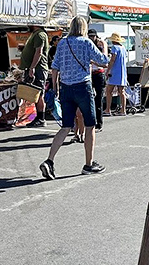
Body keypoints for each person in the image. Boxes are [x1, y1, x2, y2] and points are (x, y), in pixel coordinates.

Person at [39, 16, 109, 180]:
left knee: (66, 126)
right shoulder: (86, 42)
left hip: (65, 88)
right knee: (90, 125)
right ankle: (88, 164)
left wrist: (56, 88)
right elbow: (104, 61)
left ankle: (49, 161)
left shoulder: (62, 43)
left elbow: (55, 67)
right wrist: (104, 46)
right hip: (82, 87)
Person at [20, 25, 50, 128]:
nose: (28, 24)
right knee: (34, 93)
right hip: (34, 69)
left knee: (39, 93)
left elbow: (39, 52)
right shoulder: (35, 34)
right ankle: (38, 117)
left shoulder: (40, 34)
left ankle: (41, 118)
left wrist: (32, 67)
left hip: (38, 69)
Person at [88, 29, 108, 130]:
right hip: (90, 74)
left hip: (99, 74)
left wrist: (94, 62)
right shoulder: (87, 45)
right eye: (90, 36)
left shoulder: (100, 46)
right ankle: (90, 122)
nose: (91, 38)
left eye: (93, 36)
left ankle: (99, 123)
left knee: (98, 99)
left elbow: (105, 64)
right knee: (89, 99)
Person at [105, 33, 128, 116]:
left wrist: (108, 71)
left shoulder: (114, 48)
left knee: (109, 91)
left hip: (115, 71)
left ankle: (108, 109)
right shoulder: (123, 48)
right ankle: (123, 110)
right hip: (122, 71)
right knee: (121, 91)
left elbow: (112, 60)